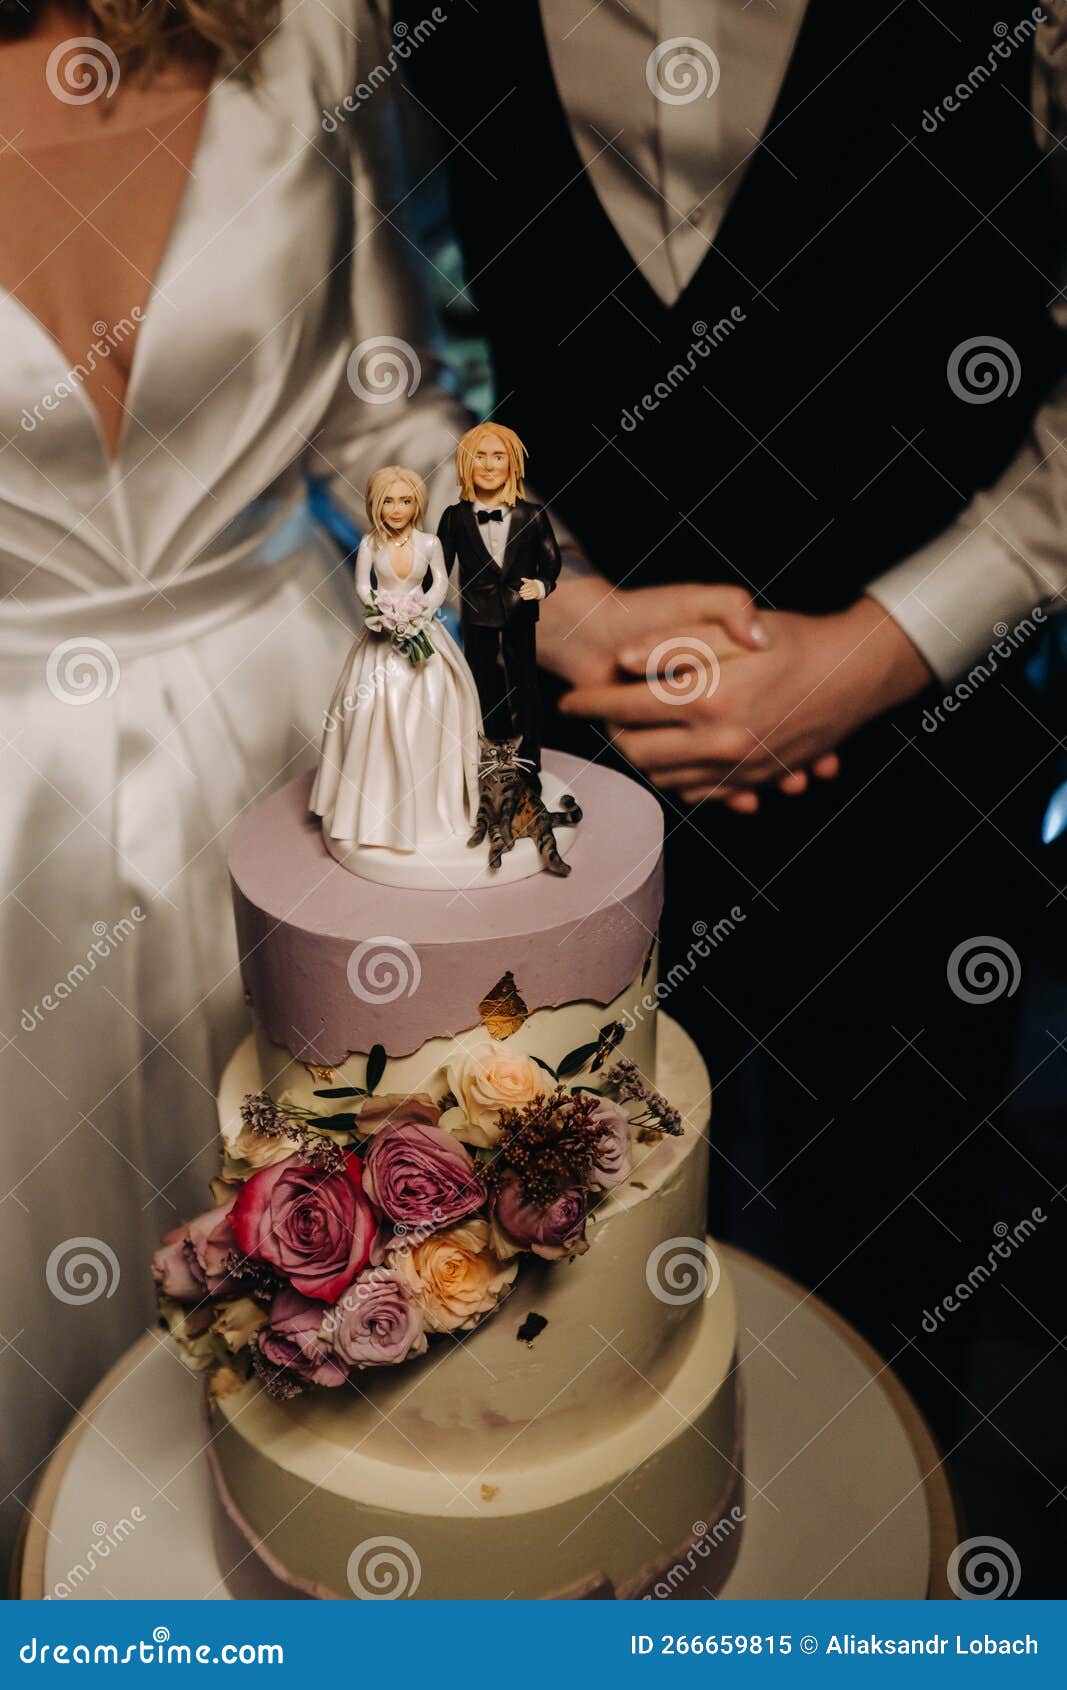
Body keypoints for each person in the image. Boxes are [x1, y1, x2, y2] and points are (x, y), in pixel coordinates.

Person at [397, 0, 1067, 1491]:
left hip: (922, 753)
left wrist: (872, 648)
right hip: (552, 752)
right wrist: (565, 609)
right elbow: (366, 361)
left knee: (891, 1261)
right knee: (542, 1275)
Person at [0, 0, 465, 1575]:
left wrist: (575, 603)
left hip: (305, 757)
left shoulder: (311, 25)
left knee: (369, 1291)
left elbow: (384, 409)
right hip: (12, 825)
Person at [311, 466, 481, 852]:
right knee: (370, 705)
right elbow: (361, 584)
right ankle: (371, 809)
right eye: (389, 500)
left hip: (424, 635)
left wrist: (421, 610)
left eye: (405, 500)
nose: (397, 508)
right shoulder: (371, 545)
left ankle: (430, 806)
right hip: (382, 639)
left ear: (417, 503)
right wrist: (380, 610)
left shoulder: (429, 545)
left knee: (435, 702)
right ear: (375, 504)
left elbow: (440, 582)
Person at [437, 423, 561, 776]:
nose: (489, 466)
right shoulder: (454, 517)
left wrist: (542, 584)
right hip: (476, 615)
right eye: (480, 457)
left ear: (512, 464)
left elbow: (551, 561)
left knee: (525, 687)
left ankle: (529, 763)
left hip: (521, 612)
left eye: (498, 457)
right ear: (464, 464)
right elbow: (439, 566)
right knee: (481, 686)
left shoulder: (532, 515)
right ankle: (488, 760)